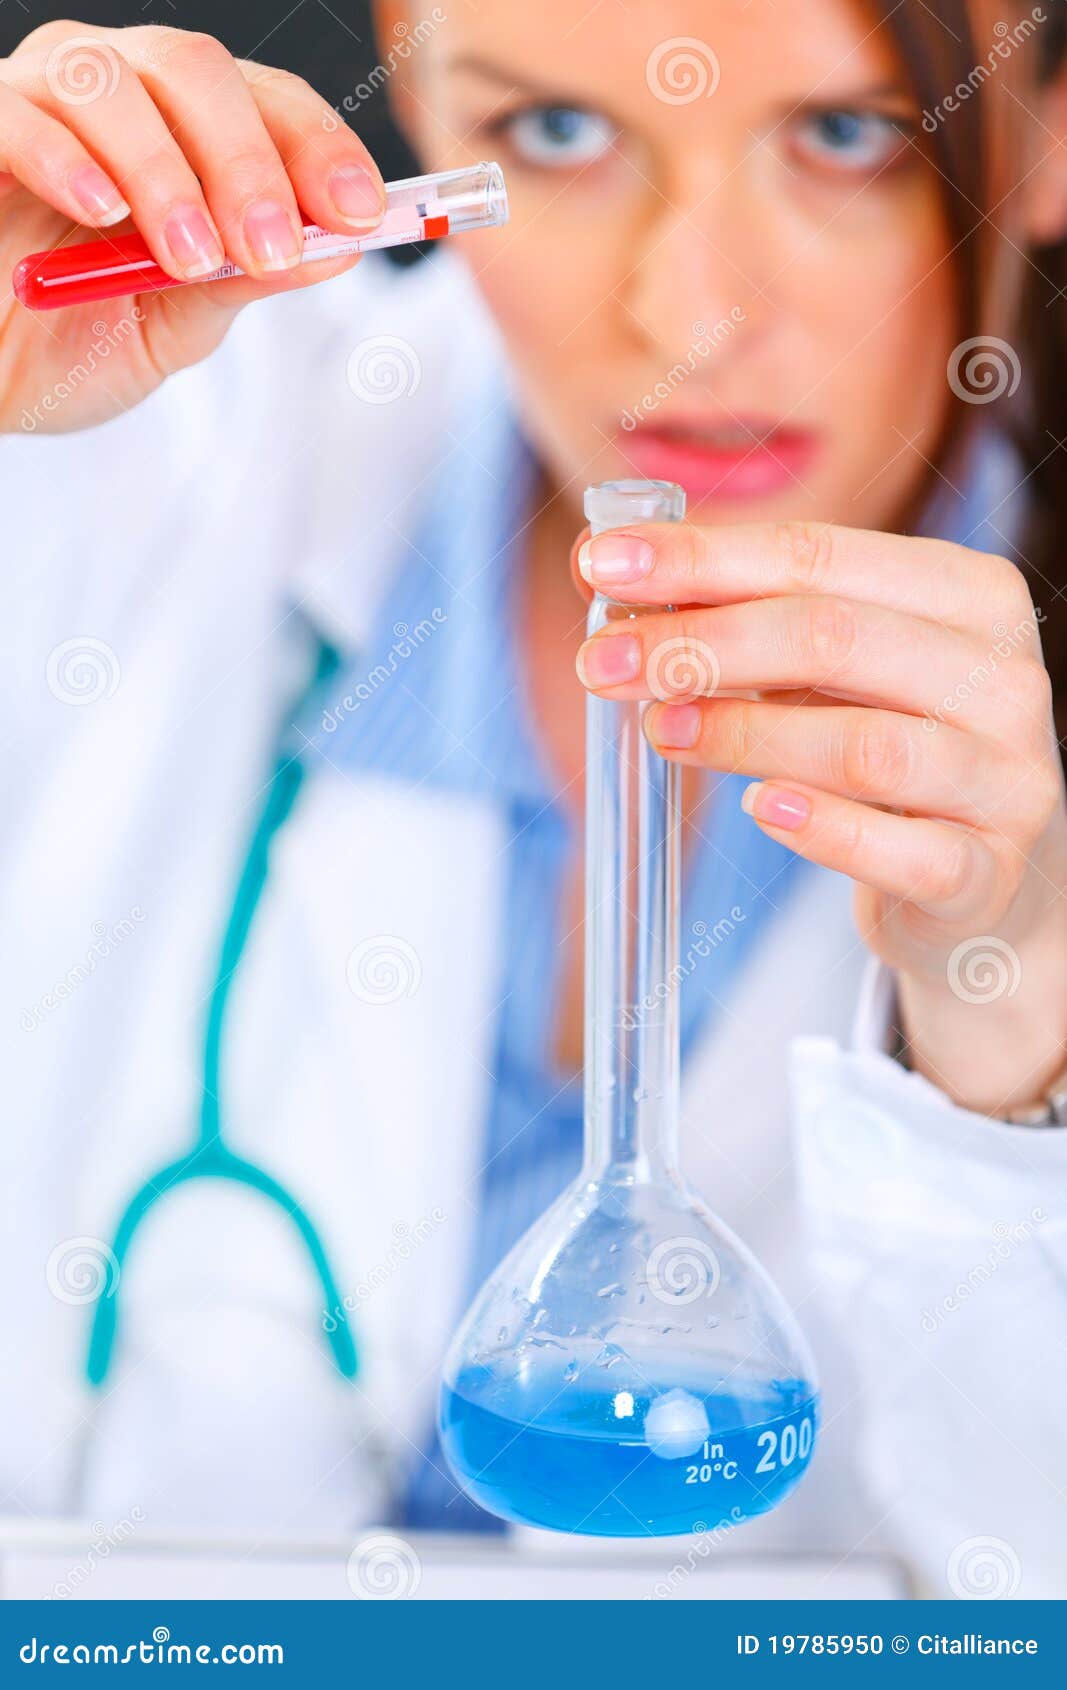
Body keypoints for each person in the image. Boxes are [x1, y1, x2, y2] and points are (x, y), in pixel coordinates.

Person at [1, 0, 1065, 1597]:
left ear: (1044, 127)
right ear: (416, 94)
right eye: (555, 136)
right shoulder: (135, 442)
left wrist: (1009, 1038)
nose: (690, 313)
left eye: (844, 136)